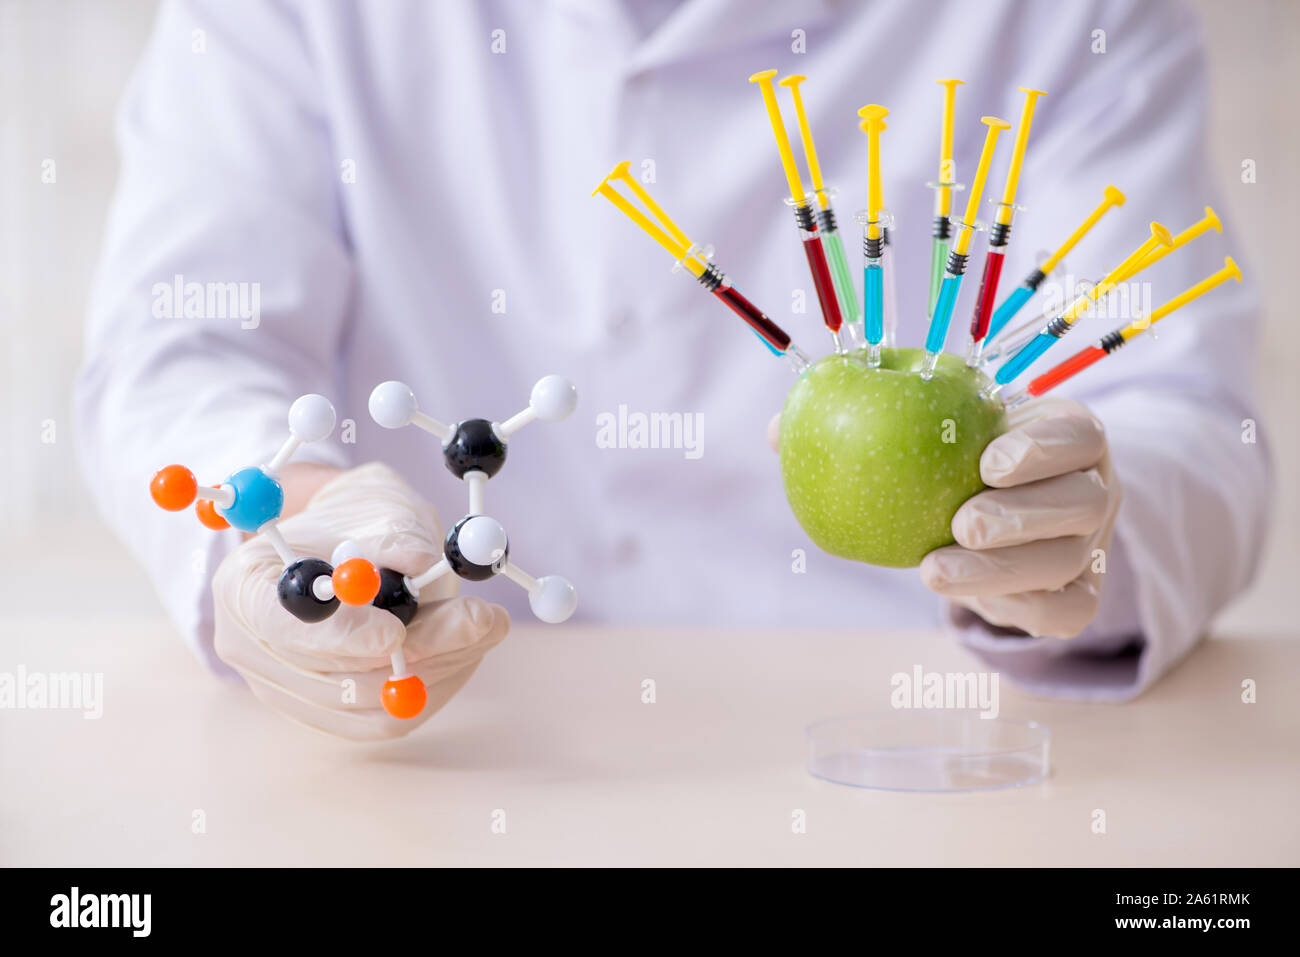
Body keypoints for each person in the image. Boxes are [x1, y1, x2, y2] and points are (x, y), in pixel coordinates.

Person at [76, 0, 1268, 739]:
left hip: (931, 751)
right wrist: (287, 524)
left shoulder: (1074, 15)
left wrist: (1085, 533)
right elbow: (182, 342)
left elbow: (1183, 418)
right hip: (450, 739)